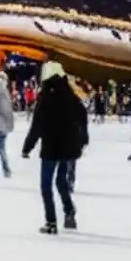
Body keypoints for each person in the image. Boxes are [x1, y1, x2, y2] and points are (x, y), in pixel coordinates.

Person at [21, 61, 87, 235]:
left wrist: (27, 147)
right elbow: (82, 116)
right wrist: (82, 139)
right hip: (67, 147)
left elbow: (37, 125)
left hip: (51, 146)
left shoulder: (45, 96)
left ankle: (51, 222)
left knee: (46, 185)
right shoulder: (70, 94)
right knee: (61, 181)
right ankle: (69, 211)